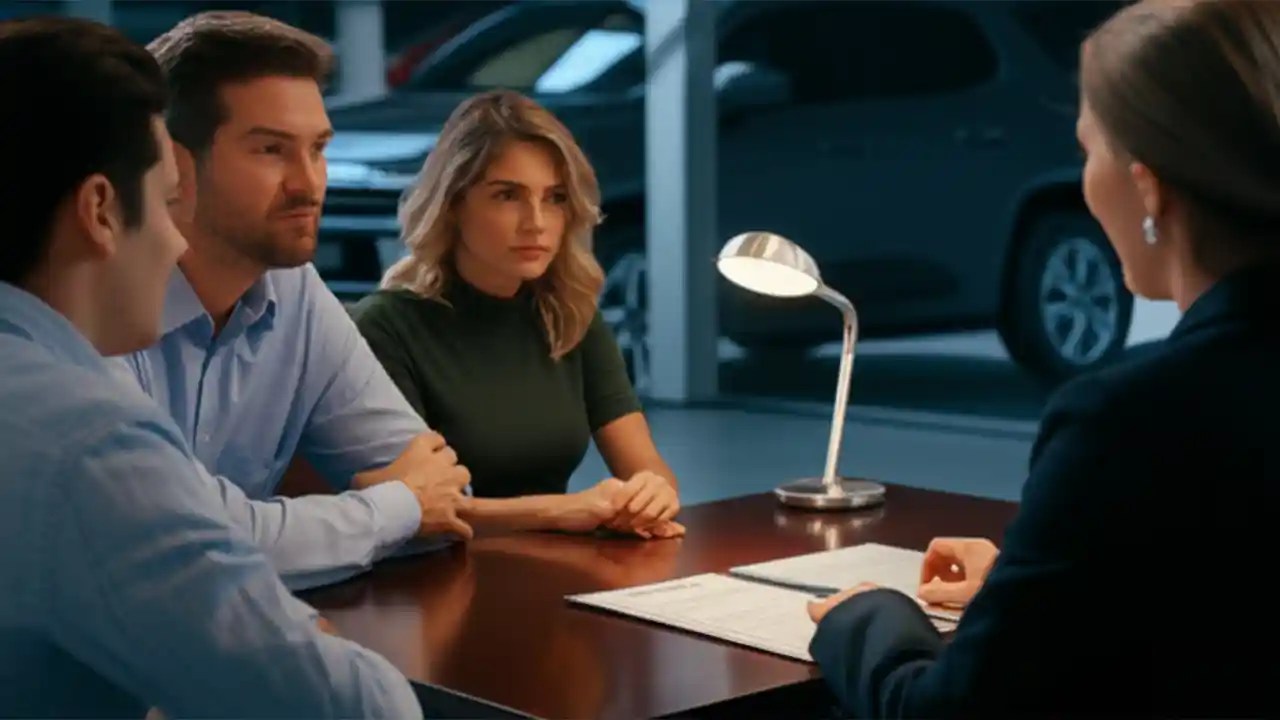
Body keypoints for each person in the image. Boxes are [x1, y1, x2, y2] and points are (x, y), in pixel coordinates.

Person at [805, 0, 1276, 716]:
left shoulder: (1127, 421)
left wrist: (867, 617)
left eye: (1088, 152)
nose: (1083, 182)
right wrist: (1030, 591)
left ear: (1147, 187)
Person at [0, 17, 420, 718]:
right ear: (100, 211)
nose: (176, 242)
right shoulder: (88, 441)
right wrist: (294, 627)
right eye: (167, 202)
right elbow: (357, 708)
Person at [352, 90, 683, 539]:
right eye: (508, 195)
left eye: (555, 198)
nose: (536, 222)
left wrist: (652, 493)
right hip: (432, 569)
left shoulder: (569, 315)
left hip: (554, 563)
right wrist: (559, 511)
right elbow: (410, 508)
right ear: (453, 204)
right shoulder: (386, 327)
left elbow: (650, 471)